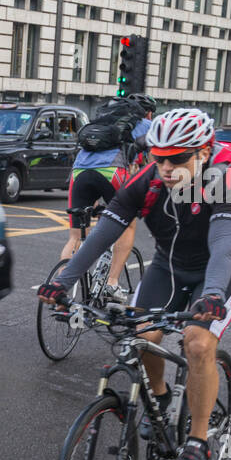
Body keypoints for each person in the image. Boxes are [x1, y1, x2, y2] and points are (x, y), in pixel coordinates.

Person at [39, 108, 231, 460]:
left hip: (221, 269)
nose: (166, 169)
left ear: (203, 152)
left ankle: (199, 438)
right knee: (143, 335)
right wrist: (64, 281)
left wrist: (214, 293)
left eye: (176, 160)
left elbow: (223, 242)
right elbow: (106, 230)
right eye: (159, 159)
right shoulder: (150, 181)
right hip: (169, 265)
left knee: (198, 343)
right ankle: (159, 394)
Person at [58, 93, 156, 303]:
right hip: (111, 171)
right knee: (127, 224)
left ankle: (59, 290)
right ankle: (112, 283)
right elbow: (156, 161)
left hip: (79, 172)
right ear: (147, 113)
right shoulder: (145, 124)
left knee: (76, 236)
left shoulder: (103, 119)